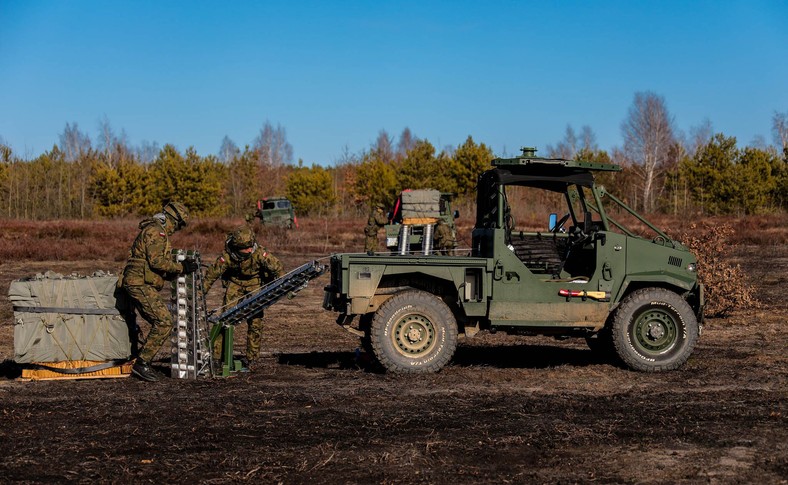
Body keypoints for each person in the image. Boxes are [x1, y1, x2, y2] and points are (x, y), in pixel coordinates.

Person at [123, 200, 198, 382]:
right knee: (164, 321)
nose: (176, 230)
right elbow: (156, 262)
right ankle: (142, 363)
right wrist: (181, 268)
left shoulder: (156, 231)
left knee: (159, 320)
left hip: (141, 281)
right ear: (173, 219)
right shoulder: (157, 231)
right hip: (139, 283)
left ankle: (139, 359)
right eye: (178, 225)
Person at [203, 225, 283, 371]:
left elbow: (278, 268)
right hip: (235, 284)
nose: (248, 250)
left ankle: (252, 359)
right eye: (245, 248)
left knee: (255, 322)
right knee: (224, 320)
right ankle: (216, 357)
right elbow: (210, 275)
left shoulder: (259, 253)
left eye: (250, 247)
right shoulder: (227, 256)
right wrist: (201, 293)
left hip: (255, 284)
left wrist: (281, 286)